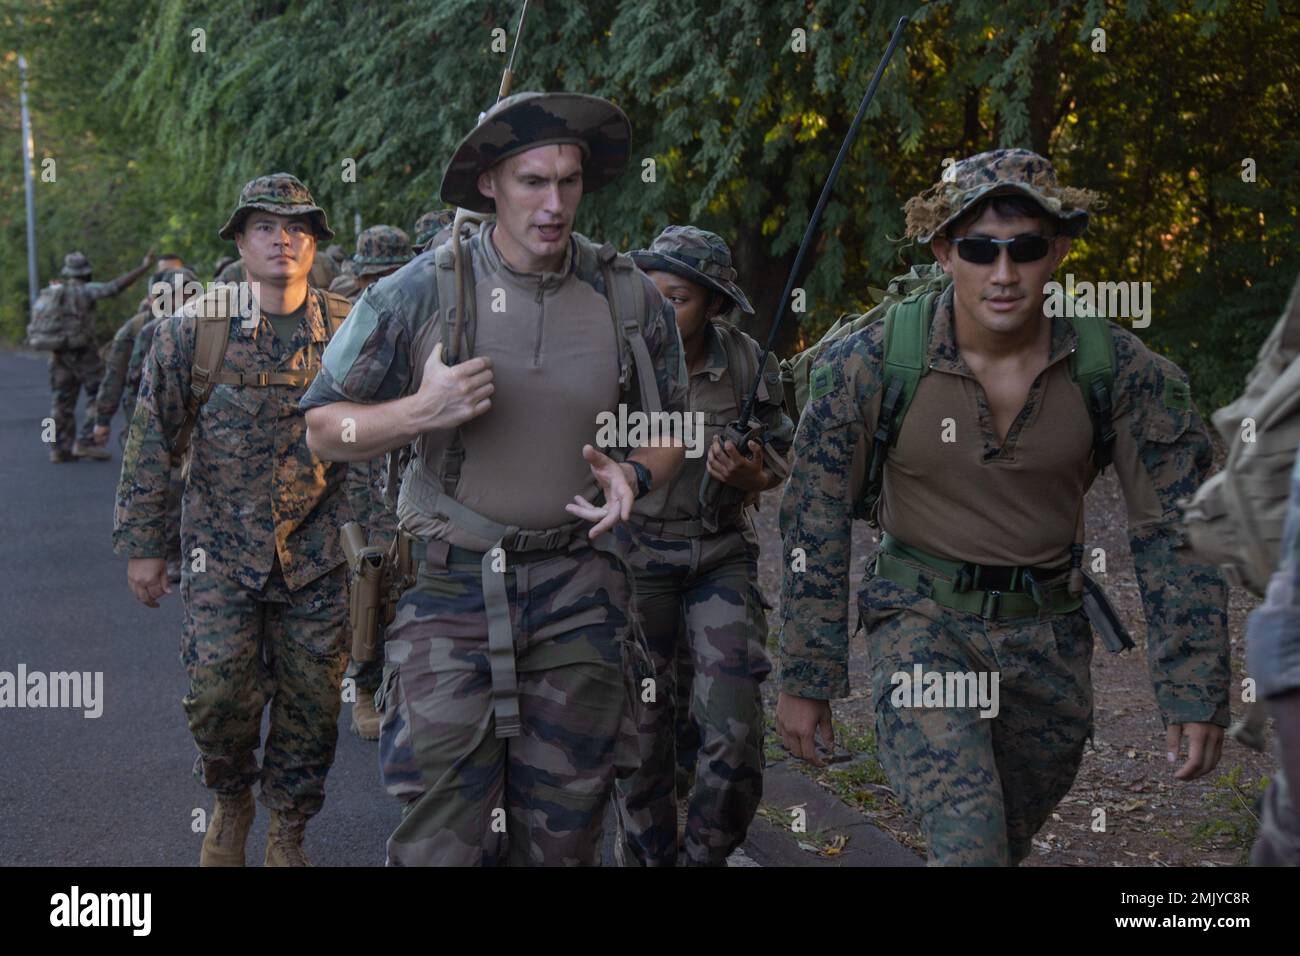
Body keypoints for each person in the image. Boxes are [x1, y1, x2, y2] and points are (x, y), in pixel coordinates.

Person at [776, 149, 1231, 865]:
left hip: (1047, 645)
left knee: (1003, 844)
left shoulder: (1118, 370)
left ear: (1059, 250)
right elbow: (813, 522)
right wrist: (807, 679)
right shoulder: (869, 365)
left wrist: (1193, 690)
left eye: (1024, 248)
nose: (1003, 272)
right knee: (971, 847)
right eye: (979, 249)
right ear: (942, 250)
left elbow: (1175, 528)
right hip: (922, 626)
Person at [301, 91, 689, 865]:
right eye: (532, 182)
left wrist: (637, 476)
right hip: (451, 592)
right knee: (442, 842)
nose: (553, 204)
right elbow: (323, 428)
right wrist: (421, 410)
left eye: (568, 182)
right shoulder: (418, 293)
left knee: (565, 834)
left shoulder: (627, 296)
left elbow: (673, 428)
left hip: (579, 590)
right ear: (490, 184)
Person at [114, 173, 353, 866]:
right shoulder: (194, 329)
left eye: (299, 227)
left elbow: (375, 448)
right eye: (265, 227)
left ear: (316, 242)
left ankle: (289, 831)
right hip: (219, 553)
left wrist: (379, 557)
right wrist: (145, 546)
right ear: (241, 241)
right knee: (218, 694)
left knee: (313, 710)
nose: (284, 239)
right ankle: (231, 798)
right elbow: (152, 437)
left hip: (319, 555)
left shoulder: (350, 329)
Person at [612, 225, 793, 866]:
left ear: (713, 305)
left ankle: (704, 856)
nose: (661, 309)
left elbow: (779, 456)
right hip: (634, 560)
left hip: (718, 554)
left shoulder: (748, 363)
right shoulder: (613, 359)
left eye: (680, 298)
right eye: (652, 294)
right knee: (642, 732)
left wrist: (752, 476)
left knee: (735, 731)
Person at [326, 223, 416, 740]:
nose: (379, 286)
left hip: (413, 462)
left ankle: (404, 684)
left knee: (412, 577)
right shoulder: (345, 322)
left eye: (389, 276)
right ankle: (363, 685)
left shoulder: (422, 312)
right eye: (372, 278)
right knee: (367, 572)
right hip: (360, 464)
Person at [37, 250, 153, 462]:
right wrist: (144, 267)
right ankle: (86, 441)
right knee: (98, 393)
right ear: (85, 272)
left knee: (60, 401)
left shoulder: (55, 291)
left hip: (58, 352)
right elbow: (116, 286)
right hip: (83, 352)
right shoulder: (86, 290)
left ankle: (58, 448)